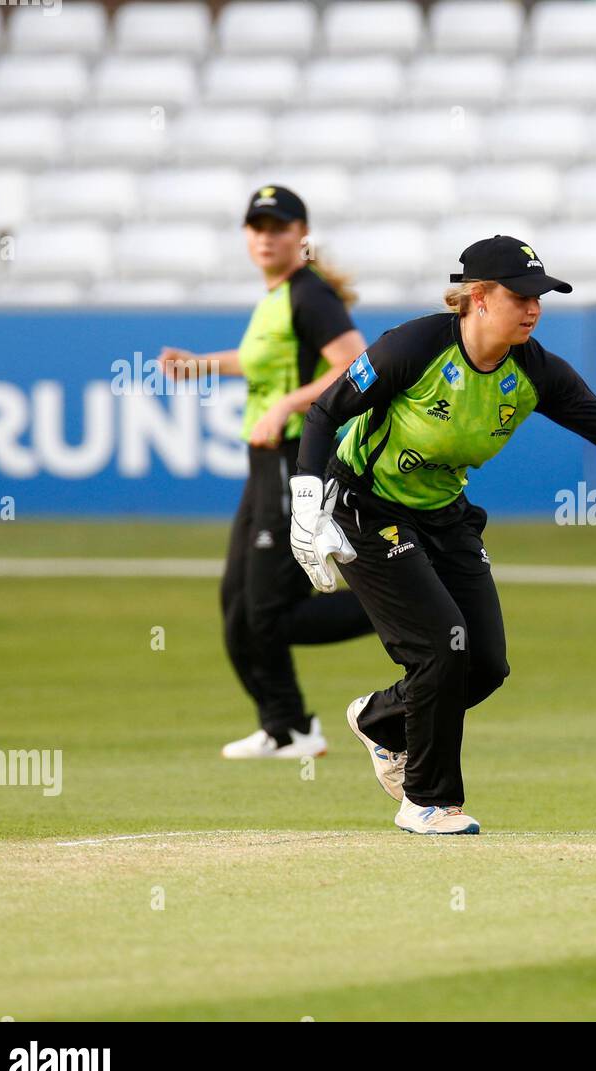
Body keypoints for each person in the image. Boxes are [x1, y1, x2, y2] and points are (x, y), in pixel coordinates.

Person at [288, 235, 596, 834]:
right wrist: (306, 504)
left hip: (444, 511)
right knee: (440, 644)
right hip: (366, 507)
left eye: (542, 296)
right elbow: (326, 411)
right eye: (521, 295)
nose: (534, 307)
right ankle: (427, 801)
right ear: (477, 297)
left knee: (482, 663)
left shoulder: (534, 372)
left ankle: (380, 723)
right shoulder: (416, 345)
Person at [161, 185, 373, 759]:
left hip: (296, 458)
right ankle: (287, 729)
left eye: (278, 227)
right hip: (265, 464)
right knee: (236, 604)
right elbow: (260, 363)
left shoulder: (311, 295)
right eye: (256, 226)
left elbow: (357, 367)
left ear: (301, 235)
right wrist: (202, 364)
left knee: (266, 613)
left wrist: (286, 406)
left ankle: (400, 602)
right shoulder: (278, 296)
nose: (265, 237)